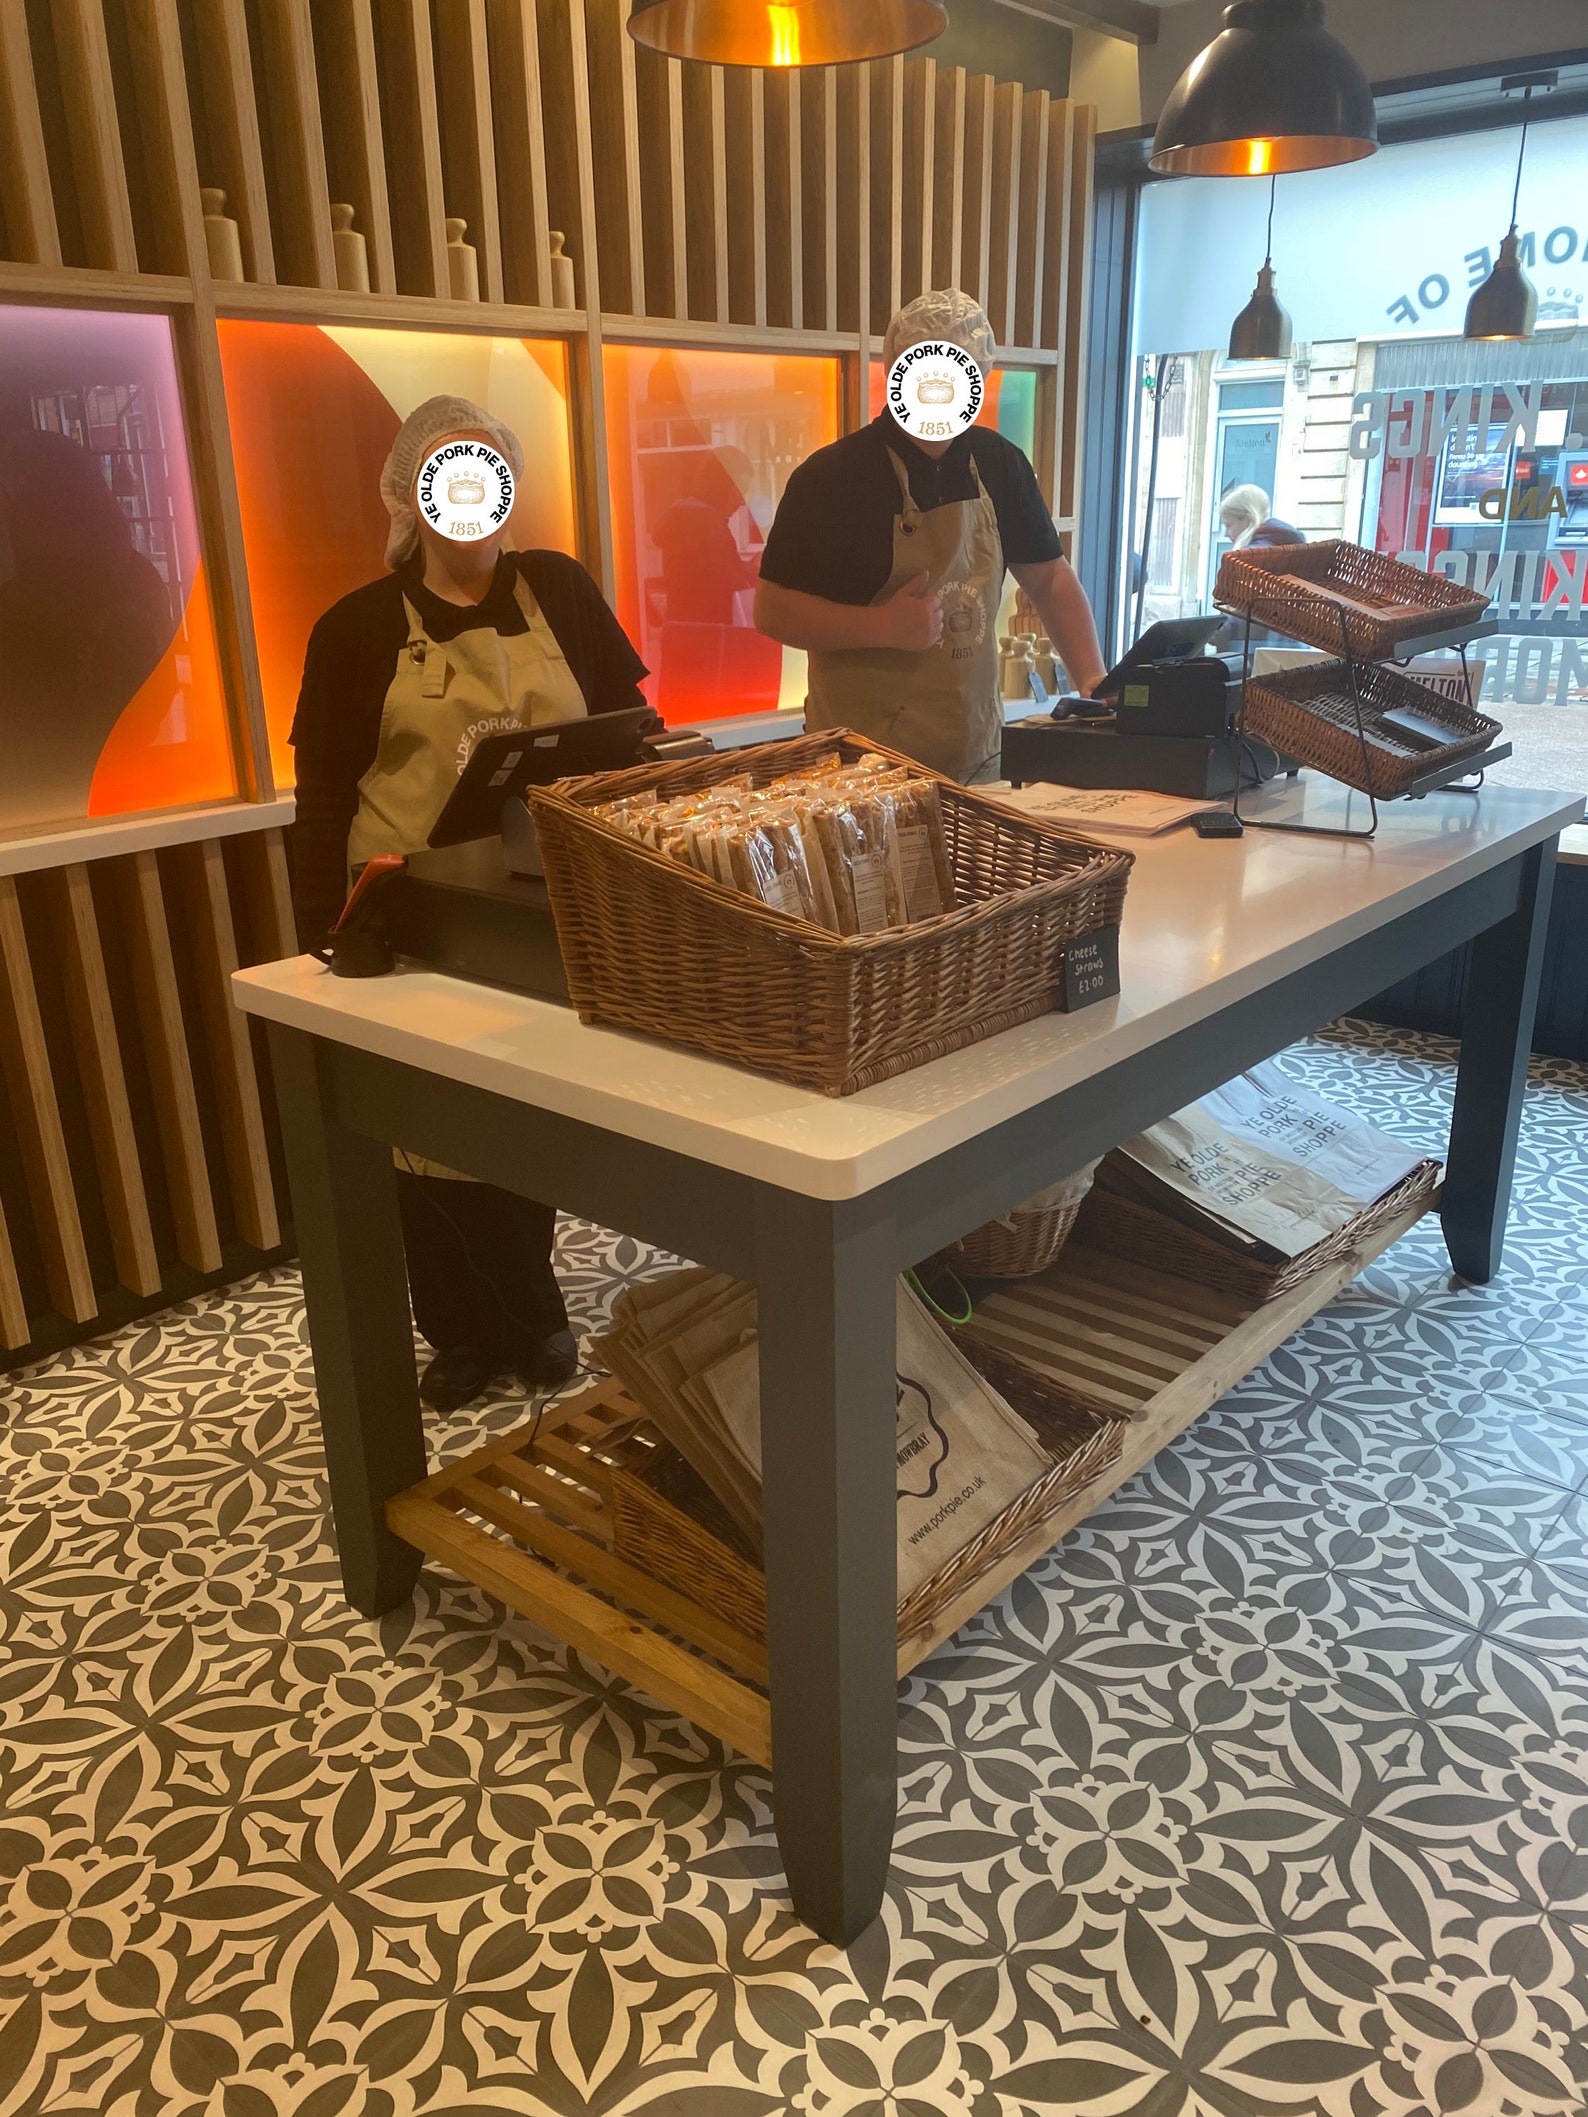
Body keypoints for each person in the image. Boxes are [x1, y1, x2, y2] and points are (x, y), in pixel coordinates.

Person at [290, 395, 654, 1413]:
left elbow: (630, 724)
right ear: (409, 492)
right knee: (420, 1134)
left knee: (519, 1117)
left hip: (535, 910)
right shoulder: (357, 629)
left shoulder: (560, 591)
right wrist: (323, 931)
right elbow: (322, 799)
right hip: (407, 919)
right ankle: (454, 1331)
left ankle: (530, 1309)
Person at [753, 289, 1107, 782]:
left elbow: (1048, 579)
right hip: (859, 773)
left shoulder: (1000, 464)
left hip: (975, 759)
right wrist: (883, 628)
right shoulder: (831, 478)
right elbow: (772, 611)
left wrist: (1093, 679)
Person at [1220, 483, 1304, 551]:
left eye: (1228, 525)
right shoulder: (1295, 543)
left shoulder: (1248, 558)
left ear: (1249, 520)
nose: (1226, 534)